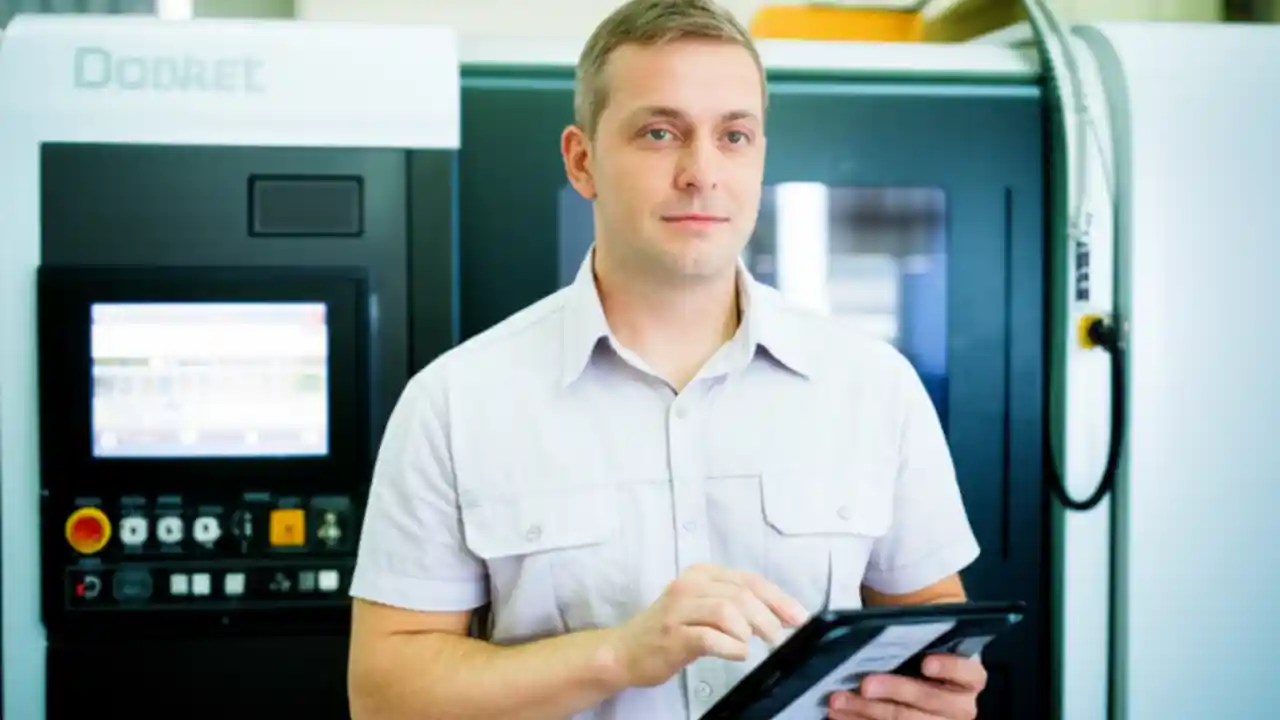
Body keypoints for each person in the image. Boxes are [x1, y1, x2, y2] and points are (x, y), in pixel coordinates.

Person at [346, 1, 986, 718]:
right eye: (660, 132)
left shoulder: (875, 387)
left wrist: (929, 698)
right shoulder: (455, 403)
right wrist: (618, 654)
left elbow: (929, 629)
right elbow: (384, 695)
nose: (701, 172)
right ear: (582, 161)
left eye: (734, 136)